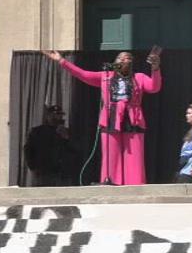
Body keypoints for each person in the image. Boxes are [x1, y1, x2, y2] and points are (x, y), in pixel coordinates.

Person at [41, 46, 162, 185]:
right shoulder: (106, 77)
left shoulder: (139, 77)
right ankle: (112, 182)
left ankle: (134, 184)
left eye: (128, 58)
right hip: (111, 116)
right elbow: (83, 74)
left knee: (134, 155)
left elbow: (154, 87)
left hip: (133, 117)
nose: (124, 59)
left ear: (132, 62)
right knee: (112, 154)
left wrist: (155, 68)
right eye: (120, 58)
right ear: (115, 62)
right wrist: (61, 61)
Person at [24, 104, 75, 187]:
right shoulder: (37, 132)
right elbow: (28, 150)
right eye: (53, 115)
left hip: (62, 174)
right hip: (43, 172)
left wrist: (66, 138)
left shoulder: (66, 132)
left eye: (59, 115)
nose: (56, 117)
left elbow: (74, 150)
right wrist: (33, 167)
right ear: (48, 116)